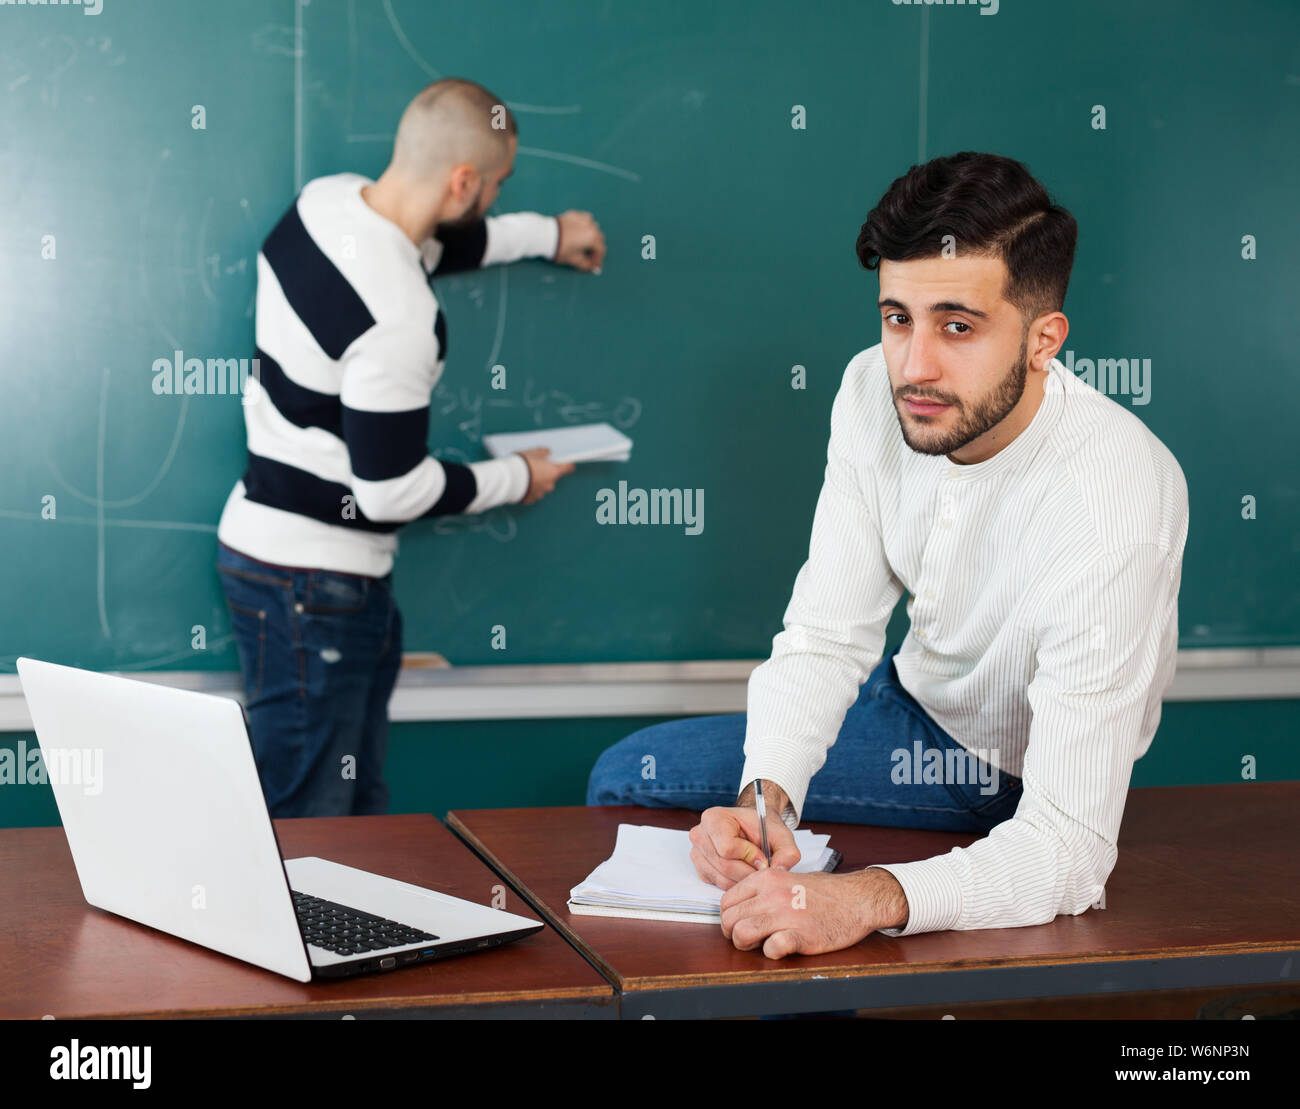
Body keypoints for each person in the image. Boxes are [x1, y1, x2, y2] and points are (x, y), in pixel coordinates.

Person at [587, 151, 1188, 958]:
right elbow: (828, 634)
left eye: (958, 326)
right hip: (903, 696)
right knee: (641, 774)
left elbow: (1070, 850)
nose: (914, 366)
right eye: (897, 316)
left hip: (1002, 766)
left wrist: (867, 897)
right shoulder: (871, 388)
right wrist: (766, 803)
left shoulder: (1116, 499)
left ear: (1044, 339)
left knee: (638, 781)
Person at [217, 78, 606, 817]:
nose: (492, 198)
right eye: (495, 186)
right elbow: (389, 489)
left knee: (349, 816)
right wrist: (513, 477)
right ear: (464, 181)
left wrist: (549, 235)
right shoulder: (398, 318)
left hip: (267, 559)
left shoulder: (324, 202)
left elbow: (424, 244)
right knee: (316, 826)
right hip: (319, 588)